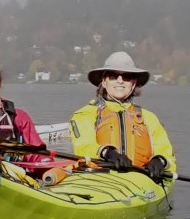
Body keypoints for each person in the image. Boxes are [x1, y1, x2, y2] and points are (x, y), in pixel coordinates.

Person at [69, 51, 175, 184]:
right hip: (98, 178)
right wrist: (108, 153)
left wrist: (159, 161)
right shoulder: (85, 114)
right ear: (104, 81)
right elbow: (83, 146)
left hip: (142, 181)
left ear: (134, 83)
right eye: (113, 76)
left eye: (127, 76)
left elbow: (167, 153)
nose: (120, 81)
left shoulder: (149, 118)